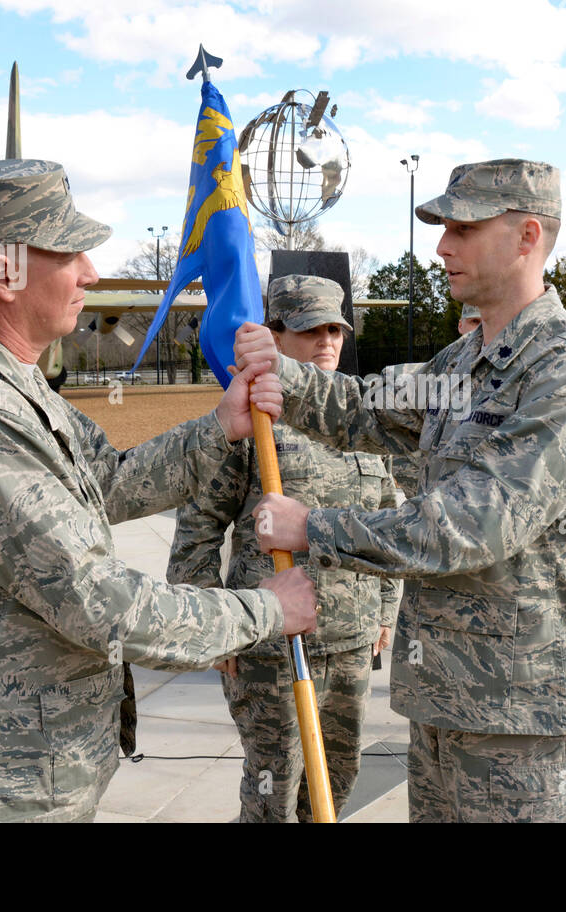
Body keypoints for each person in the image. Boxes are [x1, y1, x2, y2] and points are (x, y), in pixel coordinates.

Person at [0, 158, 317, 823]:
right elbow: (103, 605)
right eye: (70, 252)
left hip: (28, 772)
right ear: (3, 275)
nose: (90, 272)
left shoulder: (13, 388)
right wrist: (263, 611)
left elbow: (106, 481)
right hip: (0, 790)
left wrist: (220, 426)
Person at [235, 158, 566, 822]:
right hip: (443, 694)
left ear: (527, 236)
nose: (443, 247)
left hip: (516, 707)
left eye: (462, 229)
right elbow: (369, 409)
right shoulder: (465, 359)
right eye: (444, 229)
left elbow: (476, 522)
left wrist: (315, 529)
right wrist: (285, 375)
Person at [167, 274, 402, 822]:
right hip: (270, 644)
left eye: (334, 330)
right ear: (274, 334)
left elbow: (387, 521)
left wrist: (386, 611)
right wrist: (213, 627)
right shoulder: (251, 420)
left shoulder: (360, 422)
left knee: (337, 783)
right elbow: (198, 529)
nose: (326, 342)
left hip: (350, 643)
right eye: (309, 330)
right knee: (274, 791)